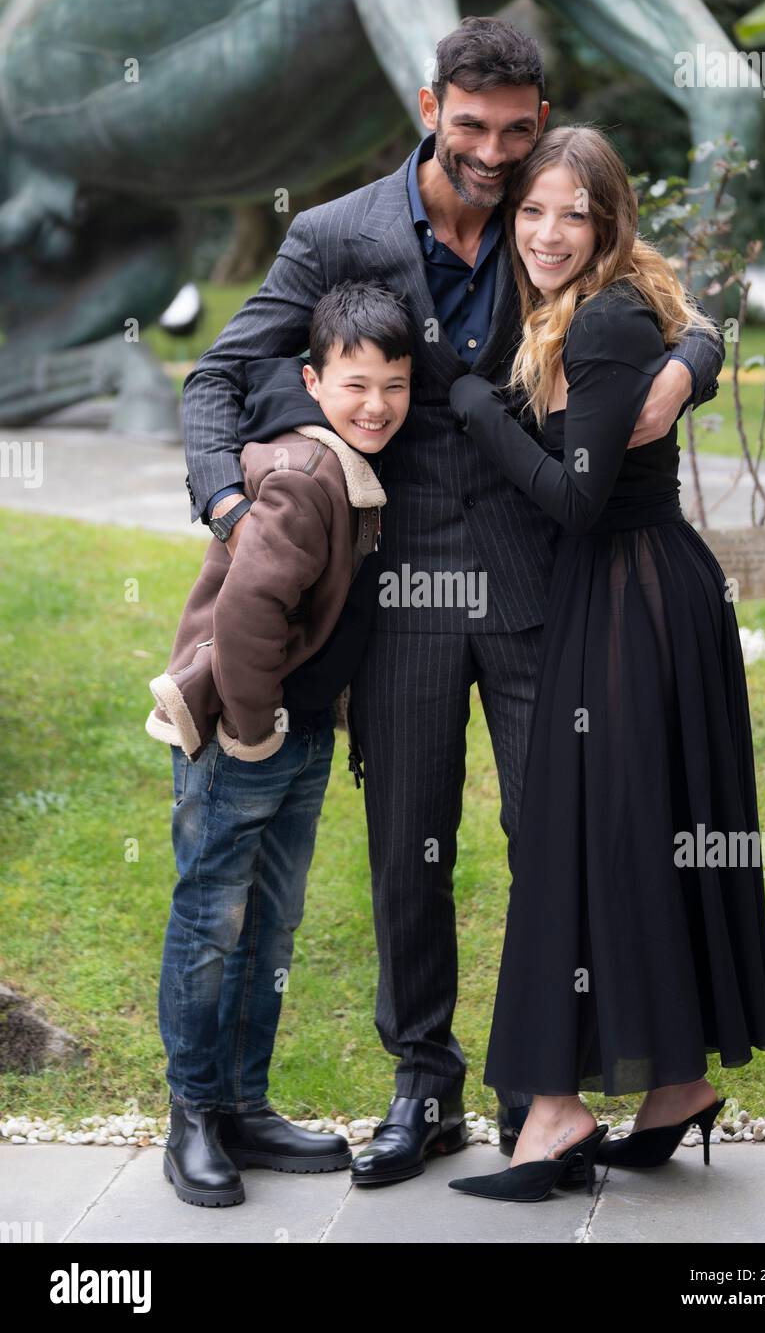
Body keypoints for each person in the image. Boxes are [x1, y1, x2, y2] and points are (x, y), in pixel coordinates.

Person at [181, 16, 725, 1187]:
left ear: (538, 122)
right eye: (469, 125)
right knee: (406, 852)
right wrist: (232, 512)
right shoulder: (338, 232)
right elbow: (224, 373)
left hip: (547, 583)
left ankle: (547, 1093)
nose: (493, 152)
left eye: (513, 130)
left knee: (557, 838)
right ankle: (420, 1081)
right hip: (402, 594)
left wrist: (691, 365)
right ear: (430, 109)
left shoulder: (549, 198)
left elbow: (665, 294)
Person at [445, 125, 765, 1205]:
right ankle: (671, 1085)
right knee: (627, 836)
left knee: (588, 838)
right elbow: (694, 331)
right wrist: (693, 358)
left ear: (606, 223)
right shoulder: (608, 305)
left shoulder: (604, 319)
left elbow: (577, 498)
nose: (545, 231)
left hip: (631, 597)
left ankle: (553, 1115)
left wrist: (477, 410)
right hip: (631, 594)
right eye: (531, 210)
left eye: (570, 214)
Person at [146, 281, 412, 1206]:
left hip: (296, 737)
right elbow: (251, 611)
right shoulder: (307, 476)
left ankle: (245, 1105)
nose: (375, 405)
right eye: (355, 386)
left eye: (394, 386)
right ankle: (194, 1117)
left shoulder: (357, 462)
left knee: (271, 926)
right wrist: (253, 734)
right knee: (214, 924)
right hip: (240, 737)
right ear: (313, 381)